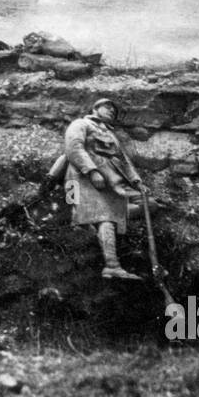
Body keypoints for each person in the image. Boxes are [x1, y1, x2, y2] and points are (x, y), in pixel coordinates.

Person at [61, 98, 147, 281]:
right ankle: (112, 266)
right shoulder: (81, 124)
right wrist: (92, 171)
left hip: (111, 184)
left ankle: (88, 222)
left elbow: (123, 161)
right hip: (83, 180)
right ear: (95, 108)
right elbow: (73, 147)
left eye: (114, 110)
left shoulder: (111, 135)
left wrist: (136, 181)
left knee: (149, 204)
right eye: (107, 107)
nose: (111, 110)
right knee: (105, 216)